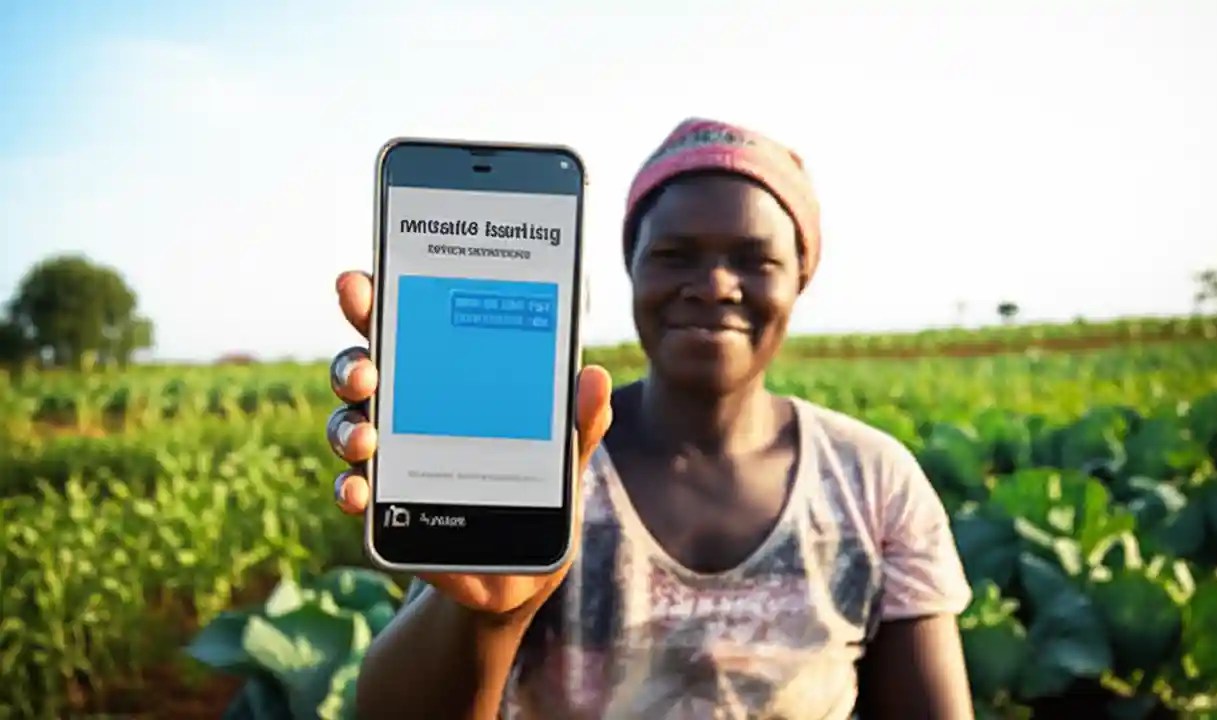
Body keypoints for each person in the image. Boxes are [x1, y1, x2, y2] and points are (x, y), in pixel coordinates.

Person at [324, 118, 976, 719]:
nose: (716, 284)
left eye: (755, 259)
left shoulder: (872, 481)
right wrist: (491, 617)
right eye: (675, 254)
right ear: (630, 267)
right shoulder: (553, 464)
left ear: (800, 275)